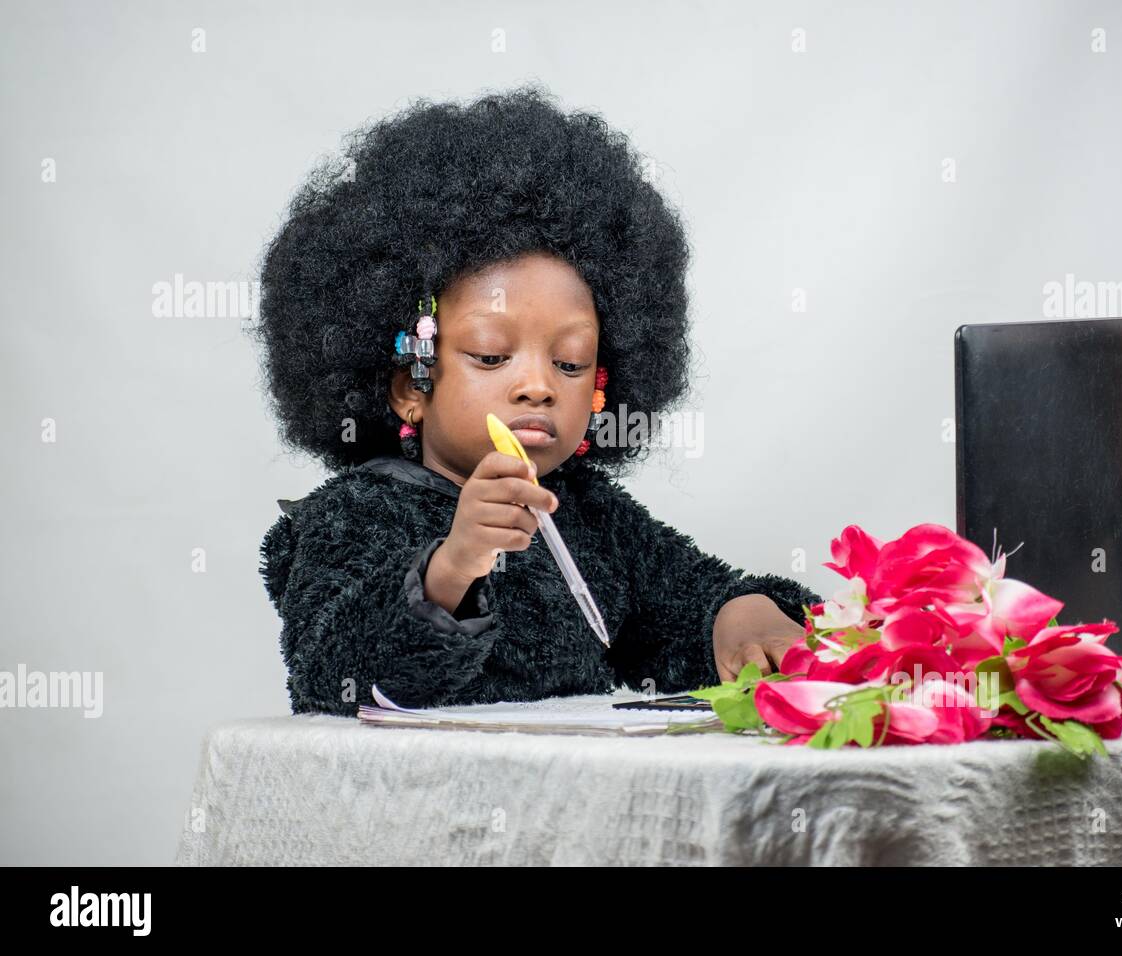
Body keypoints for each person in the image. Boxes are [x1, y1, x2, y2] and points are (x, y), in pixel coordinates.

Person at [254, 84, 821, 716]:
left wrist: (740, 617)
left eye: (570, 361)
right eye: (492, 355)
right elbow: (329, 677)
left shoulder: (588, 513)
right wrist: (452, 567)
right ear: (411, 386)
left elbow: (683, 603)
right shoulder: (354, 513)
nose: (538, 385)